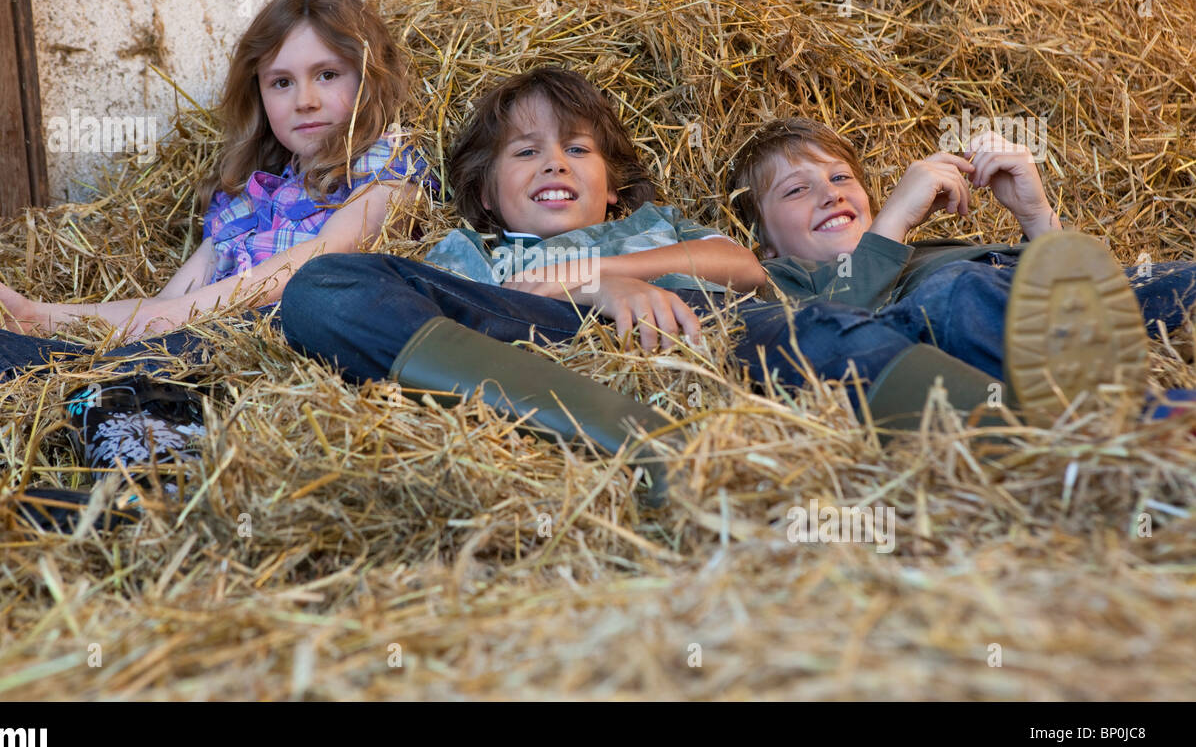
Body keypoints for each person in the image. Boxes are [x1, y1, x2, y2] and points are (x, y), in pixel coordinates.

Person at [277, 69, 1117, 506]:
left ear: (613, 187)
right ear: (488, 193)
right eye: (525, 153)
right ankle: (648, 446)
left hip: (709, 338)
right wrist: (597, 291)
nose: (555, 163)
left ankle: (1047, 456)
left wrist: (619, 267)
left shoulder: (661, 229)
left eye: (577, 149)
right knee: (324, 288)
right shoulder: (471, 252)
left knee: (814, 330)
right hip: (547, 348)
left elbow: (742, 265)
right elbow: (511, 285)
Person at [0, 0, 431, 518]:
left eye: (328, 74)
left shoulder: (387, 167)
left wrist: (183, 318)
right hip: (177, 342)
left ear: (370, 77)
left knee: (130, 380)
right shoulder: (247, 201)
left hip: (262, 359)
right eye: (281, 82)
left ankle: (137, 515)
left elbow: (327, 256)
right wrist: (39, 317)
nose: (305, 99)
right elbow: (159, 308)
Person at [731, 116, 1195, 415]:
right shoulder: (778, 281)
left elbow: (1097, 287)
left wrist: (1035, 216)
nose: (830, 193)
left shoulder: (934, 250)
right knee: (956, 292)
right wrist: (894, 219)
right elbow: (837, 331)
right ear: (764, 242)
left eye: (839, 177)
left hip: (1069, 316)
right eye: (796, 189)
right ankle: (1145, 416)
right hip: (987, 328)